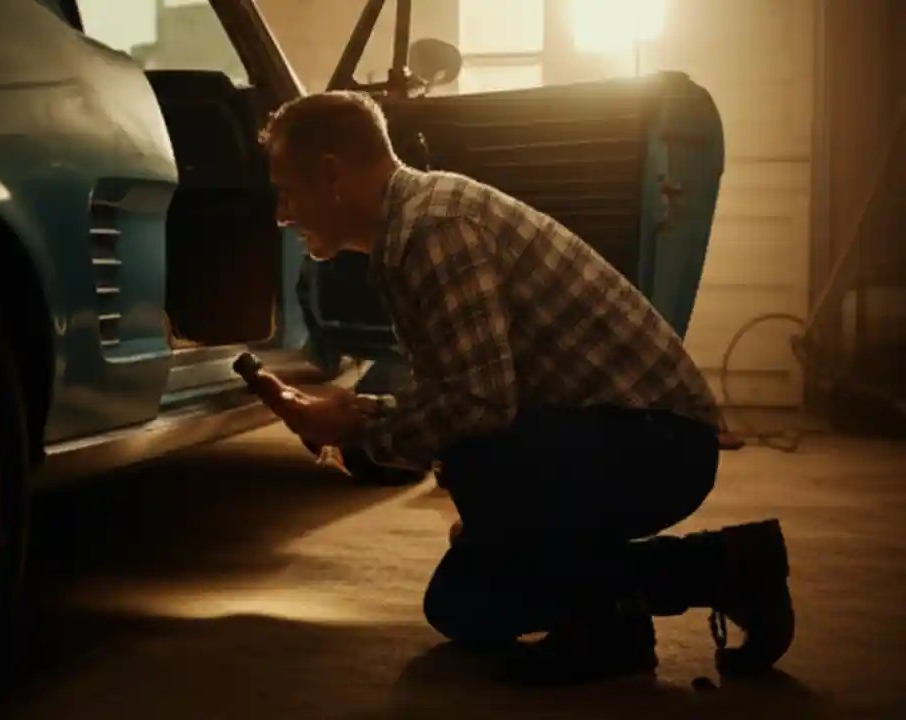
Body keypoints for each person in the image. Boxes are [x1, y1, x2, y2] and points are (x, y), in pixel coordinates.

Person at [255, 90, 794, 685]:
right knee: (462, 605)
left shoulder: (436, 227)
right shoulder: (411, 230)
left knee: (476, 461)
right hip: (615, 438)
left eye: (287, 191)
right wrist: (352, 419)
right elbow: (459, 393)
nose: (282, 214)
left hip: (659, 446)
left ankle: (636, 610)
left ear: (332, 175)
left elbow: (480, 403)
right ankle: (695, 579)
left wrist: (363, 432)